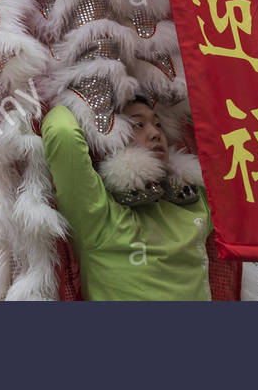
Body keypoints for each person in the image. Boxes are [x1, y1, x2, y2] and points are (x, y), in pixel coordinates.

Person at [40, 98, 212, 301]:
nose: (155, 133)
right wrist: (82, 95)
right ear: (110, 137)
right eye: (138, 124)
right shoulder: (97, 215)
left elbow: (214, 125)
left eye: (158, 124)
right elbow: (63, 133)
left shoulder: (196, 202)